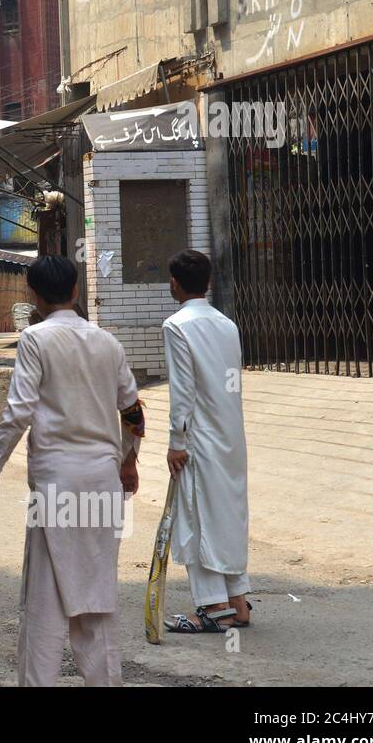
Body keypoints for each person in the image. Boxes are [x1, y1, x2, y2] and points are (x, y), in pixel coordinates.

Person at [0, 255, 142, 686]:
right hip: (103, 480)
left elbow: (18, 412)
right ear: (74, 291)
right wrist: (129, 459)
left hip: (56, 484)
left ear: (33, 295)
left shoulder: (35, 339)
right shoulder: (109, 342)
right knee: (97, 598)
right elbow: (133, 411)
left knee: (45, 604)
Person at [161, 249, 252, 633]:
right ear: (209, 282)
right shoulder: (226, 324)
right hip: (231, 436)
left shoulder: (177, 326)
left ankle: (215, 609)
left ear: (175, 283)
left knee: (199, 518)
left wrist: (175, 441)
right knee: (227, 515)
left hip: (199, 436)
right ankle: (237, 601)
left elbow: (183, 390)